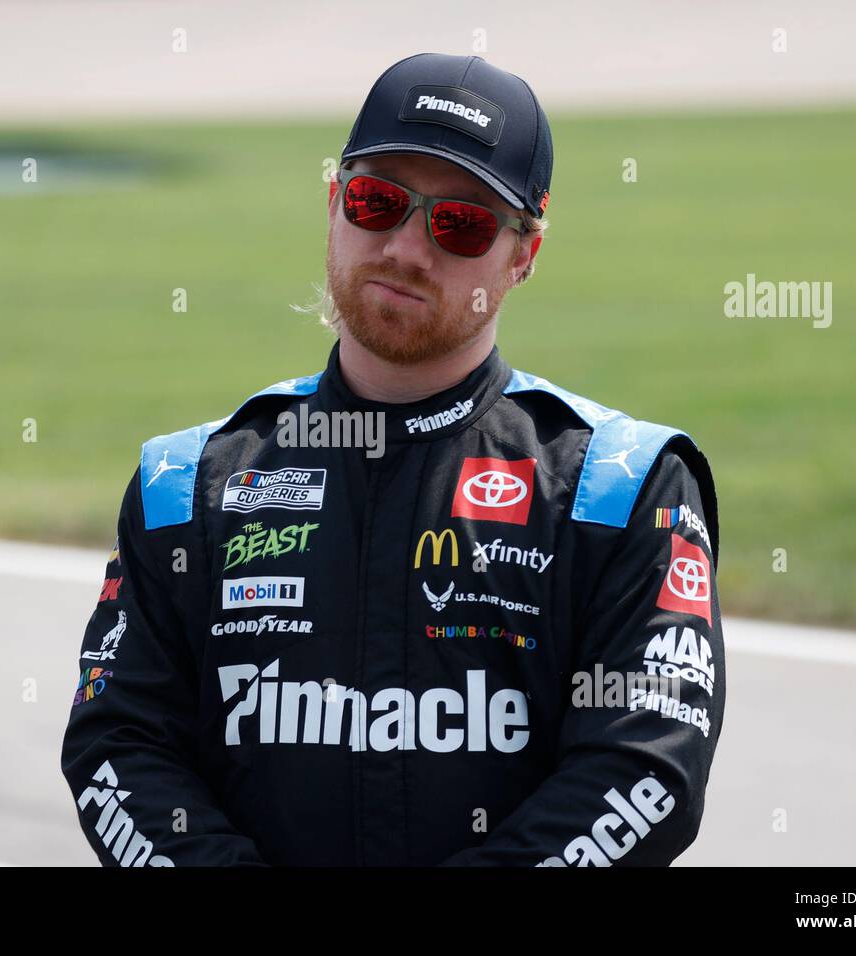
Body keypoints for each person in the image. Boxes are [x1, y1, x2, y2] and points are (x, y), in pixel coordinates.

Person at [61, 52, 724, 867]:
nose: (408, 249)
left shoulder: (624, 486)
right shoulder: (187, 484)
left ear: (524, 255)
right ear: (335, 205)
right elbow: (117, 748)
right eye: (379, 202)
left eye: (462, 223)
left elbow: (646, 771)